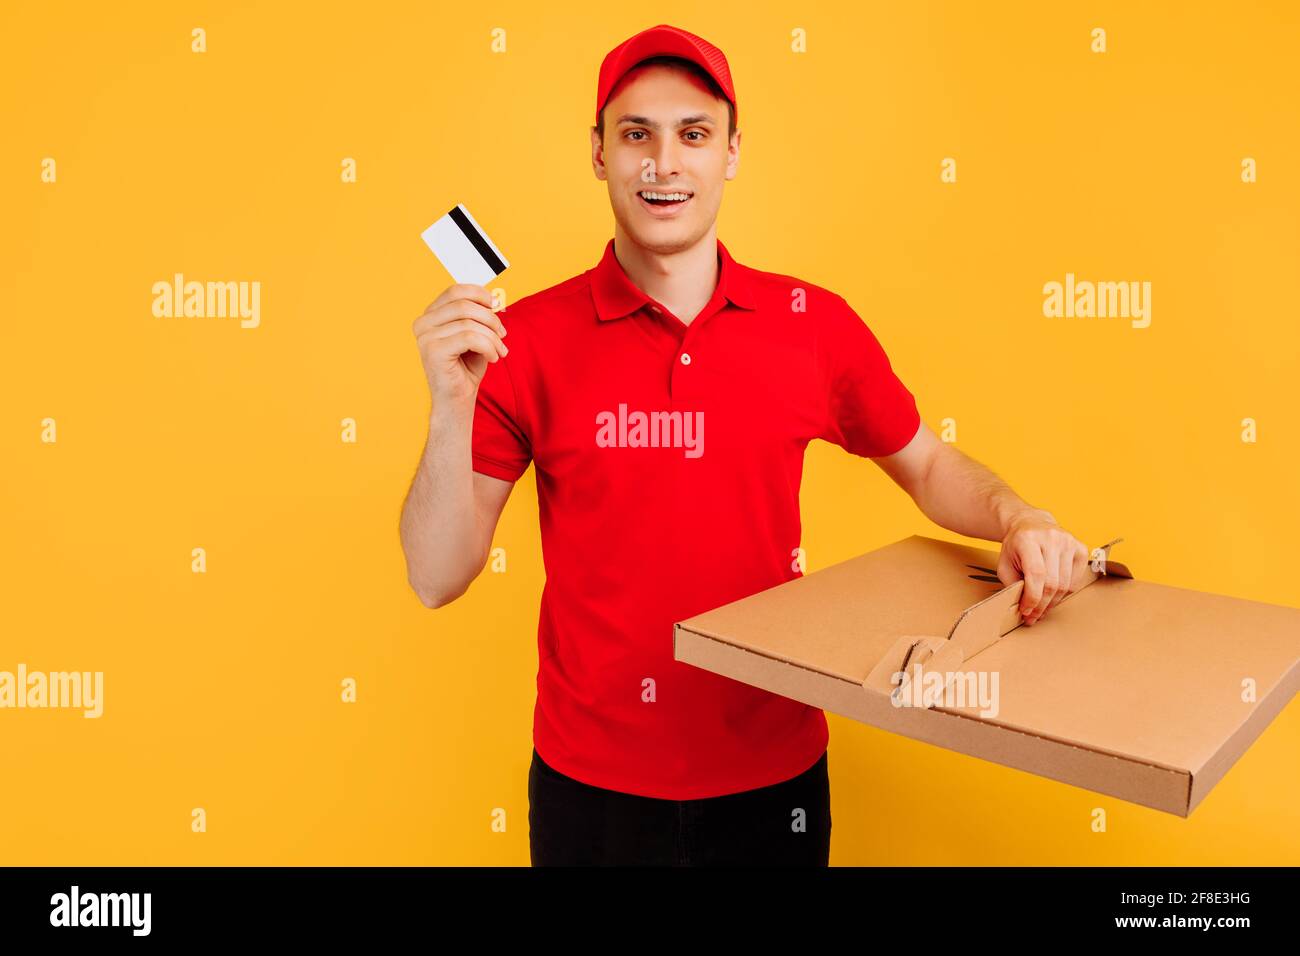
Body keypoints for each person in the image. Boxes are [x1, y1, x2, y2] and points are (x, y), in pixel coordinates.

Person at [400, 24, 1091, 866]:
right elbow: (437, 576)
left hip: (774, 786)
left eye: (693, 134)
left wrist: (1020, 516)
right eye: (636, 134)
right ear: (598, 153)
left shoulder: (813, 325)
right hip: (591, 790)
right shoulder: (521, 341)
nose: (664, 162)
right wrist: (448, 404)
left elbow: (932, 462)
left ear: (731, 152)